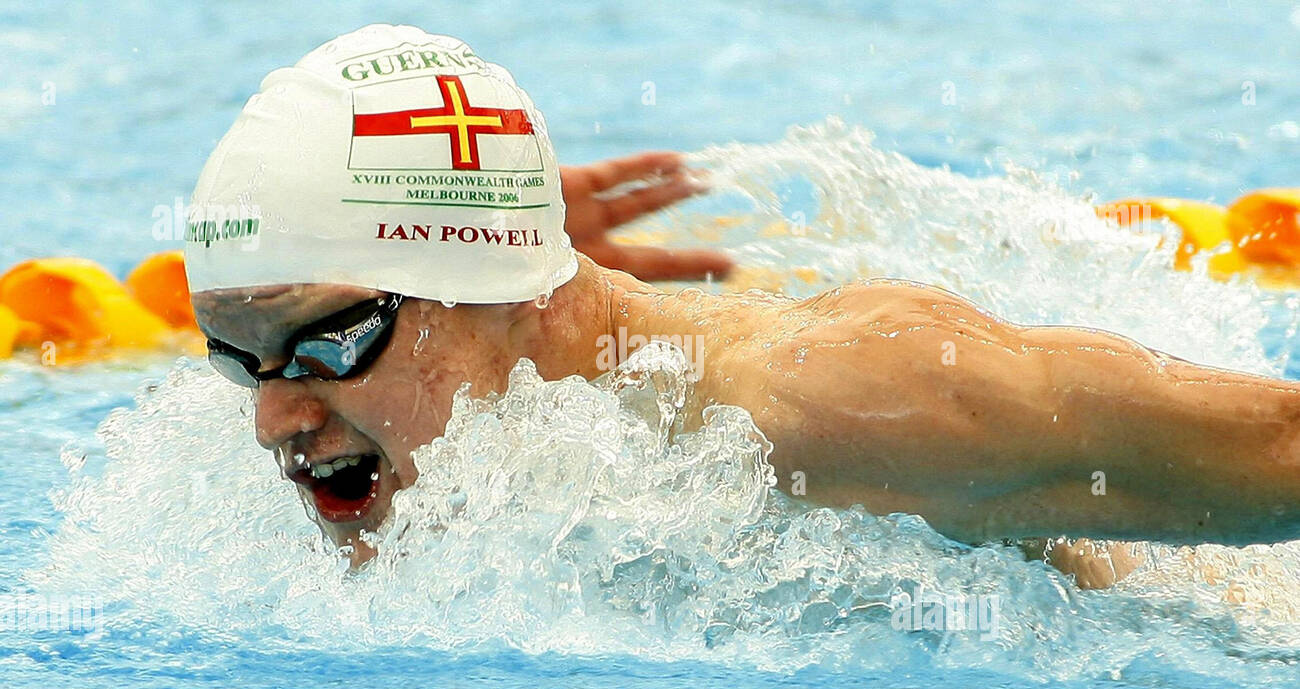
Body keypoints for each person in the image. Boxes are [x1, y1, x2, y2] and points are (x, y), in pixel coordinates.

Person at [187, 25, 1298, 589]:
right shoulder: (503, 402)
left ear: (493, 289)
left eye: (330, 342)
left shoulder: (846, 396)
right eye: (237, 355)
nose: (273, 421)